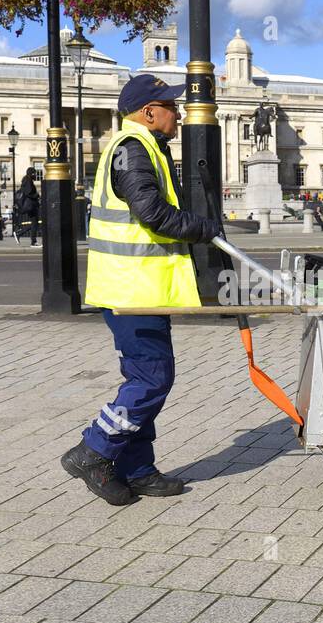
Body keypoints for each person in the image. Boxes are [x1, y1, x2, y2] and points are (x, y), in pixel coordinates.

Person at [61, 73, 223, 507]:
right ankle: (94, 449)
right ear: (149, 113)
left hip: (140, 289)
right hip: (131, 291)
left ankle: (137, 468)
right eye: (171, 106)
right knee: (153, 377)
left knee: (145, 375)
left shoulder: (145, 147)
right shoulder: (133, 150)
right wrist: (205, 230)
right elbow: (152, 214)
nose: (180, 113)